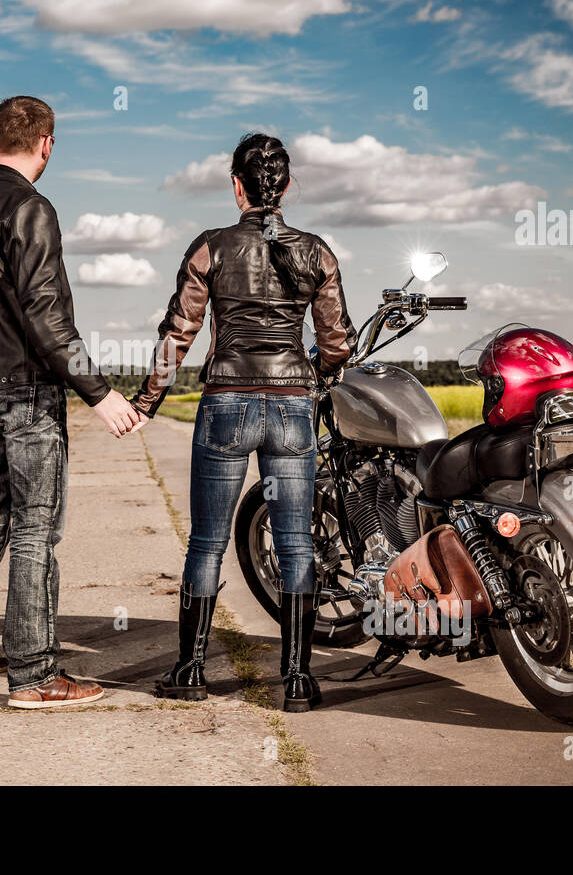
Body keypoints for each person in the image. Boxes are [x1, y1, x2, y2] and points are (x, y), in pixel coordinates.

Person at [0, 95, 143, 709]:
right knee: (34, 529)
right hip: (25, 392)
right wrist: (99, 394)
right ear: (47, 145)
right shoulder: (31, 209)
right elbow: (46, 318)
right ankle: (35, 675)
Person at [131, 133, 357, 712]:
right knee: (296, 544)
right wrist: (311, 373)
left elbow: (178, 333)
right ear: (282, 187)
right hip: (292, 407)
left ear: (237, 186)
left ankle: (189, 670)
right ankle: (299, 681)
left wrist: (147, 402)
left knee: (206, 542)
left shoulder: (211, 247)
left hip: (225, 404)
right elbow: (337, 342)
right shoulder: (317, 251)